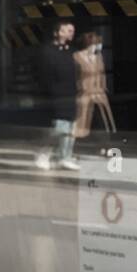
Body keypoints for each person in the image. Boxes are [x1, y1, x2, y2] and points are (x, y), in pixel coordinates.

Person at [36, 21, 79, 171]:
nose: (71, 33)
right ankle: (44, 153)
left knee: (71, 127)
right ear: (57, 32)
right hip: (56, 94)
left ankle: (65, 157)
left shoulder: (72, 51)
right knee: (59, 127)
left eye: (72, 30)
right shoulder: (47, 51)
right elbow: (43, 75)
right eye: (67, 30)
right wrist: (49, 93)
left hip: (71, 93)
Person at [73, 31, 116, 140]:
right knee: (82, 118)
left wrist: (103, 87)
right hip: (84, 92)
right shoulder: (76, 57)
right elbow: (73, 75)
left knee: (104, 117)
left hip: (98, 91)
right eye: (94, 44)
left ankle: (108, 139)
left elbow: (102, 74)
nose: (97, 47)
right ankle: (80, 139)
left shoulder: (98, 57)